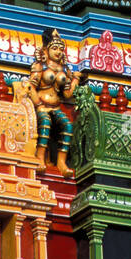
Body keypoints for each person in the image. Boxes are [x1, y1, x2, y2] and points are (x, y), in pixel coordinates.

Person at [28, 27, 87, 177]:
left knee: (67, 126)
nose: (58, 51)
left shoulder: (64, 70)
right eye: (54, 48)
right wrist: (38, 105)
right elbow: (30, 87)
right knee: (45, 123)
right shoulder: (40, 66)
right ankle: (40, 157)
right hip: (41, 105)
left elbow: (67, 94)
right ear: (46, 51)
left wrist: (75, 79)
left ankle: (61, 161)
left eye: (61, 49)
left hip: (55, 106)